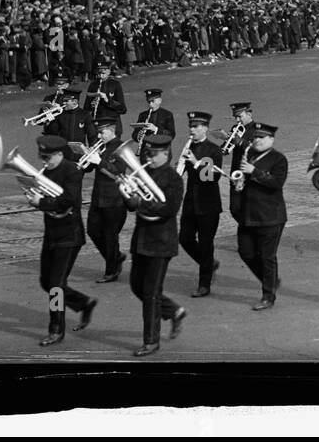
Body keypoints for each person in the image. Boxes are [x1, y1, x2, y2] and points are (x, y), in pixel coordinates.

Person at [28, 135, 95, 346]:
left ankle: (56, 329)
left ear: (59, 154)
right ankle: (83, 303)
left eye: (47, 157)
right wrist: (34, 196)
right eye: (42, 156)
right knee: (46, 282)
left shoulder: (72, 170)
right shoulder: (46, 171)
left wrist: (42, 202)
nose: (43, 161)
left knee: (56, 286)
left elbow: (69, 200)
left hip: (69, 235)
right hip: (52, 234)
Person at [122, 135, 186, 357]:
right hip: (141, 239)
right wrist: (128, 196)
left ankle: (151, 341)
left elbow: (169, 209)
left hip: (161, 241)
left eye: (153, 154)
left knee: (150, 292)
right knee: (136, 286)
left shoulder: (174, 178)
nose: (148, 157)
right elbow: (132, 206)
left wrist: (142, 202)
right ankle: (173, 311)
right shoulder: (143, 173)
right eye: (147, 153)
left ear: (166, 154)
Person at [233, 123, 288, 310]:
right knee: (245, 252)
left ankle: (268, 296)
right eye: (255, 137)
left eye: (262, 138)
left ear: (271, 139)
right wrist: (239, 181)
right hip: (248, 215)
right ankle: (270, 279)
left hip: (270, 217)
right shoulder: (249, 155)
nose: (257, 140)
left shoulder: (279, 159)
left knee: (267, 257)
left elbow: (276, 183)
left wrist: (253, 172)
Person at [178, 110, 225, 297]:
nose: (192, 130)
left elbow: (212, 177)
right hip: (190, 202)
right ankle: (209, 264)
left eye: (196, 126)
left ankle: (204, 284)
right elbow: (181, 171)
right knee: (185, 239)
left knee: (206, 244)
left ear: (205, 128)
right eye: (191, 126)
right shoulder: (188, 147)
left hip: (208, 205)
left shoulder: (213, 150)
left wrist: (196, 163)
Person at [85, 115, 129, 282]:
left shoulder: (121, 148)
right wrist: (88, 158)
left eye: (102, 132)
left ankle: (112, 271)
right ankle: (116, 257)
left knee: (111, 236)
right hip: (98, 197)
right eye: (98, 133)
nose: (99, 136)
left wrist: (99, 161)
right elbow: (89, 169)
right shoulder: (101, 147)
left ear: (112, 131)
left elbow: (118, 171)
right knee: (93, 230)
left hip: (114, 198)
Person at [134, 88, 175, 160]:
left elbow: (171, 135)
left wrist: (155, 129)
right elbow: (134, 134)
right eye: (148, 101)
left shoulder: (167, 115)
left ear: (159, 101)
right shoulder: (143, 115)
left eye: (152, 101)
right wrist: (139, 136)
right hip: (146, 153)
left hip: (162, 152)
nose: (150, 104)